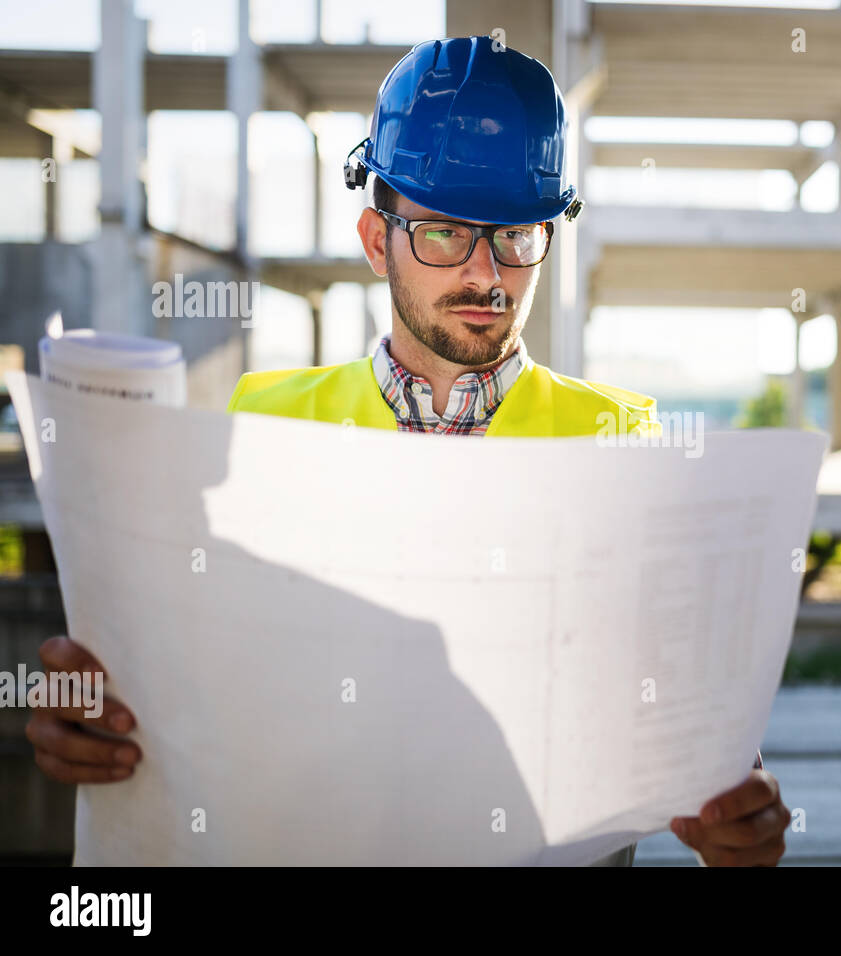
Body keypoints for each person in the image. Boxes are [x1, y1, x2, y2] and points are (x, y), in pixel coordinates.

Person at [28, 36, 789, 867]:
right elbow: (180, 693)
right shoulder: (257, 428)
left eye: (514, 236)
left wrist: (731, 817)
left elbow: (682, 726)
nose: (485, 275)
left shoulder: (626, 444)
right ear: (373, 237)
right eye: (443, 234)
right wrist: (95, 713)